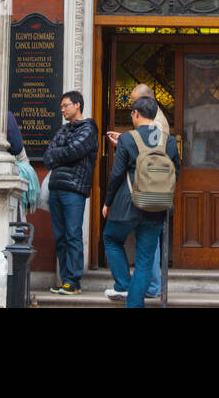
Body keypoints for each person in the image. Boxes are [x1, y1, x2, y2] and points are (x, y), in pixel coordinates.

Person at [101, 95, 179, 308]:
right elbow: (175, 172)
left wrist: (107, 202)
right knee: (145, 261)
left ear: (136, 114)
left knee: (111, 239)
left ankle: (124, 284)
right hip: (156, 207)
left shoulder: (127, 138)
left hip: (128, 203)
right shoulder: (169, 141)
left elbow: (117, 174)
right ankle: (134, 303)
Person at [42, 90, 98, 296]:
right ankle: (65, 279)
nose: (62, 109)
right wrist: (61, 154)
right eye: (62, 106)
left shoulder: (89, 128)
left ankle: (73, 281)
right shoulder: (63, 130)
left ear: (78, 105)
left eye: (66, 105)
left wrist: (60, 154)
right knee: (60, 236)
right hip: (56, 188)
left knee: (73, 234)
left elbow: (73, 151)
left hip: (74, 189)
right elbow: (48, 156)